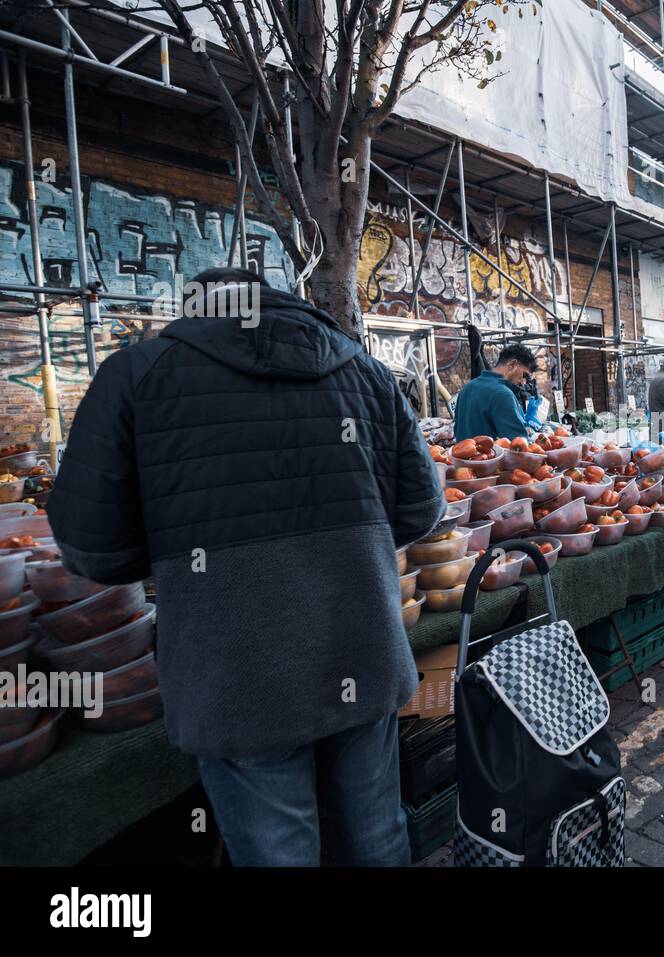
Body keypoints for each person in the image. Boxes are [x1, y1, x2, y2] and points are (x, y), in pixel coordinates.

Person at [48, 267, 441, 866]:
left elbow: (93, 549)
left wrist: (174, 549)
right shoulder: (365, 371)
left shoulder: (136, 375)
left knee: (279, 855)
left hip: (237, 674)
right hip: (361, 648)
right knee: (376, 838)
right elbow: (422, 510)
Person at [453, 343, 536, 441]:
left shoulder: (467, 388)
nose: (523, 382)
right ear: (512, 364)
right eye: (524, 375)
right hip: (491, 455)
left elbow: (457, 430)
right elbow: (519, 444)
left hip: (462, 453)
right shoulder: (503, 394)